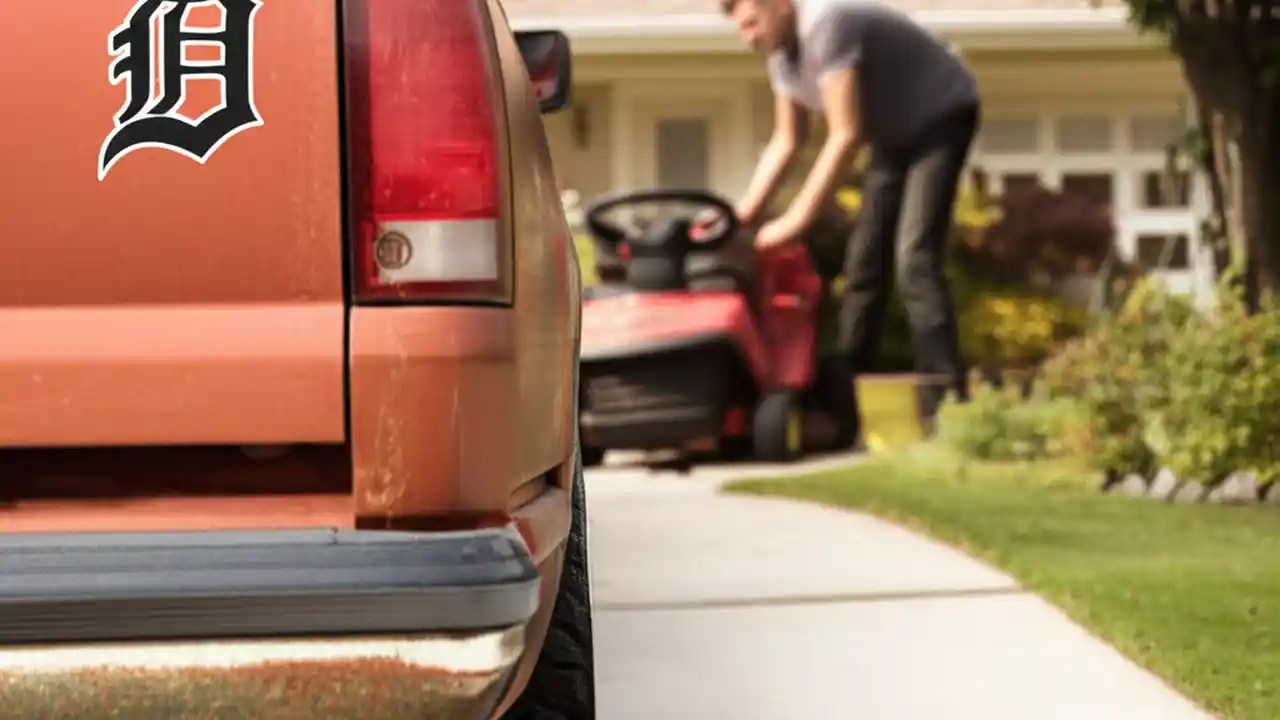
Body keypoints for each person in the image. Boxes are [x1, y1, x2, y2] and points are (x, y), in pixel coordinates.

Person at [721, 0, 980, 443]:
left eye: (751, 22)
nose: (748, 36)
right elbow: (787, 141)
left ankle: (949, 407)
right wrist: (742, 217)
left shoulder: (829, 27)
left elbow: (845, 134)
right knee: (864, 264)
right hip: (893, 135)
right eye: (739, 29)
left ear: (780, 6)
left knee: (914, 257)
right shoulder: (783, 58)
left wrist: (796, 219)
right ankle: (843, 409)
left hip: (941, 116)